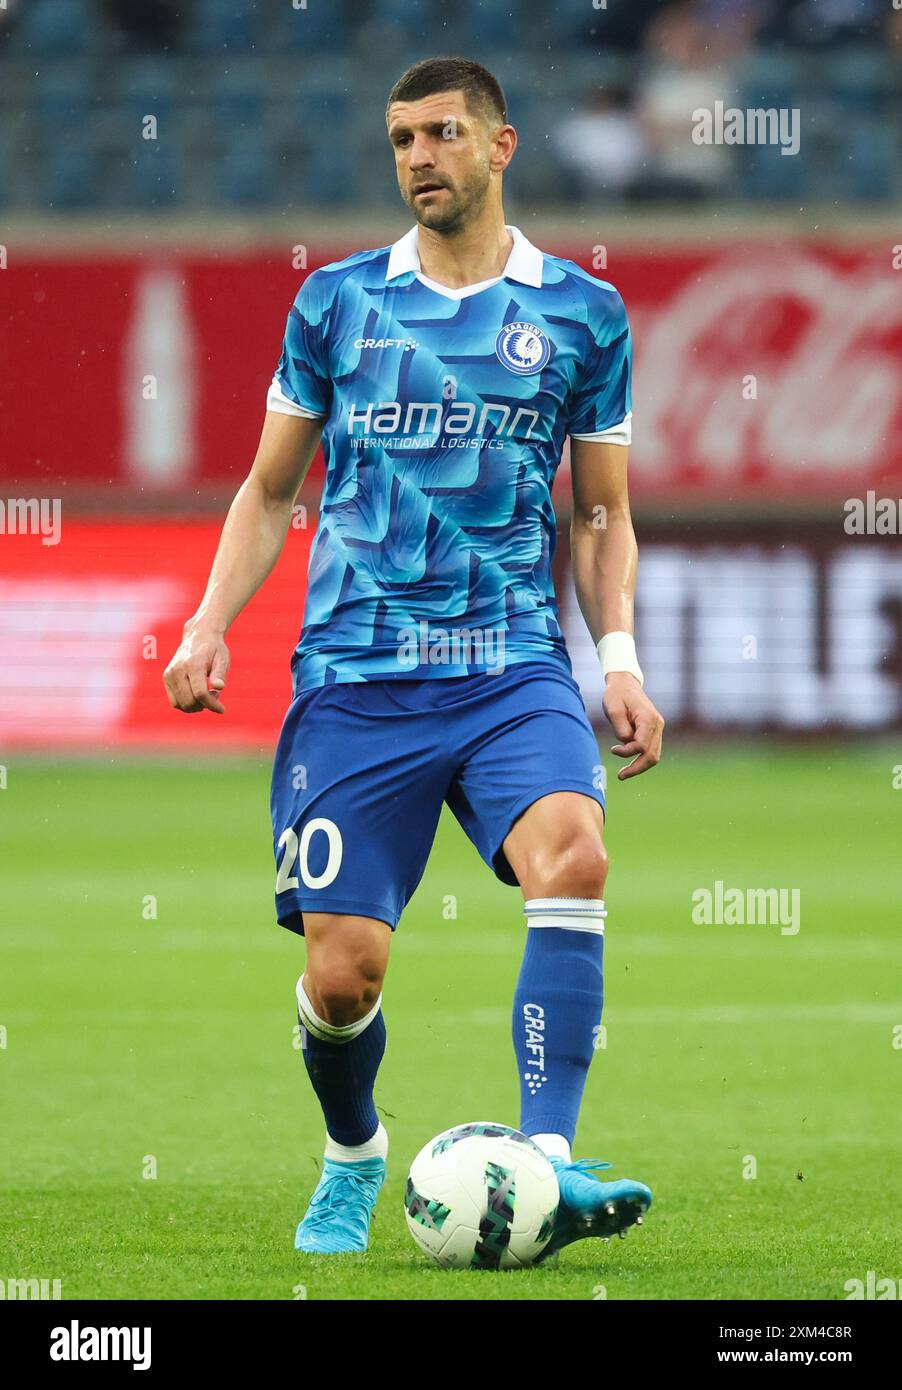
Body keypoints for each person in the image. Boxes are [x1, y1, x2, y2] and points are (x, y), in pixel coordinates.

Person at [163, 56, 665, 1259]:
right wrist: (205, 620)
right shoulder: (337, 303)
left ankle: (547, 1165)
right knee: (343, 977)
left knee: (574, 853)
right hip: (356, 675)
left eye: (440, 133)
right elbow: (270, 487)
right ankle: (352, 1154)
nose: (416, 158)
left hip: (509, 667)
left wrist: (621, 659)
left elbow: (597, 513)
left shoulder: (581, 314)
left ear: (500, 147)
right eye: (398, 140)